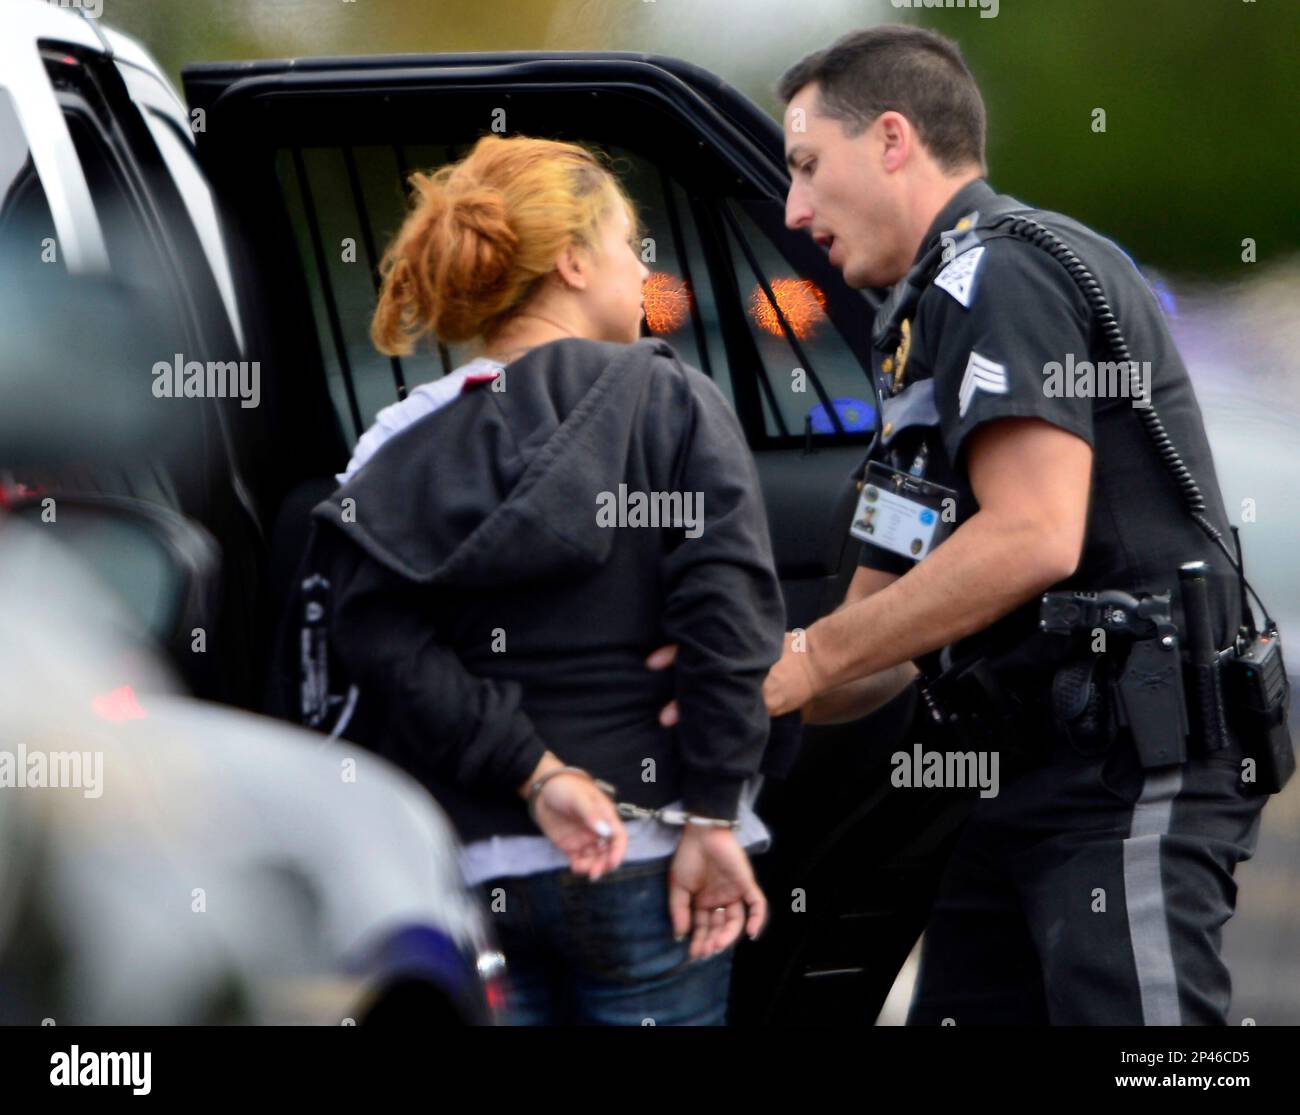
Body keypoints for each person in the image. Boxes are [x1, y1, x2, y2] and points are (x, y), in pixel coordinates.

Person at [762, 25, 1274, 1024]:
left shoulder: (1001, 271)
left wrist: (811, 653)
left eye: (808, 165)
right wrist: (742, 685)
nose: (794, 209)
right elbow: (885, 623)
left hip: (1124, 768)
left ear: (894, 140)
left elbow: (1034, 532)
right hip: (1027, 774)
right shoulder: (915, 322)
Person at [313, 134, 781, 1025]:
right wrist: (713, 815)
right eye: (628, 245)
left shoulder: (392, 445)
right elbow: (728, 620)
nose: (644, 268)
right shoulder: (675, 404)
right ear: (571, 260)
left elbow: (374, 637)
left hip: (468, 872)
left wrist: (531, 771)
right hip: (654, 858)